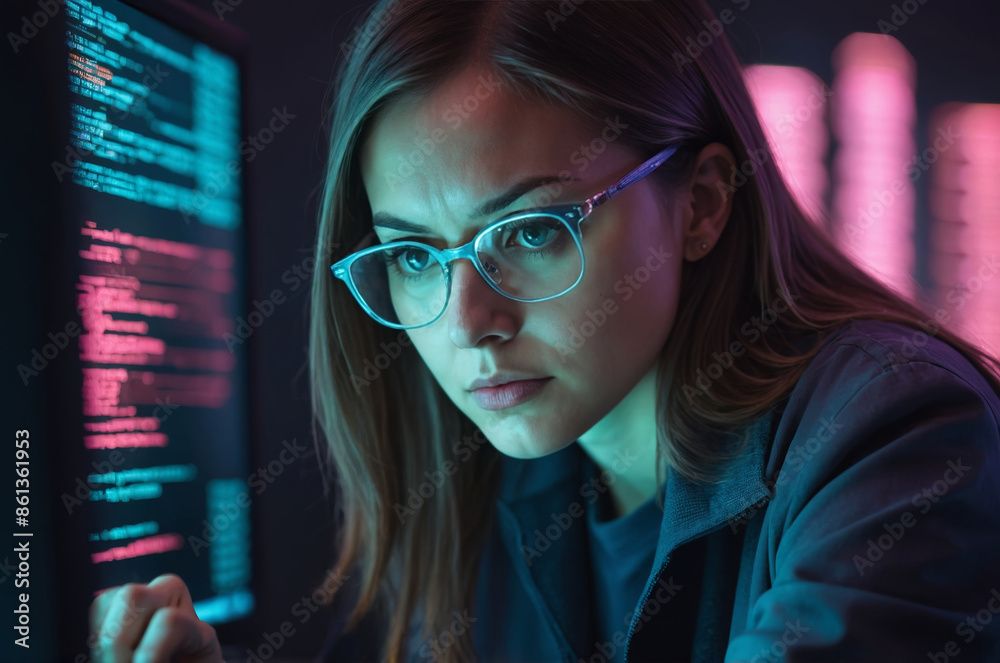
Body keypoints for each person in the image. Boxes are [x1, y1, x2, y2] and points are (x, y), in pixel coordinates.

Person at [89, 0, 1000, 661]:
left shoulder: (899, 430)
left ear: (704, 205)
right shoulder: (486, 485)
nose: (469, 320)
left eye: (531, 232)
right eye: (414, 257)